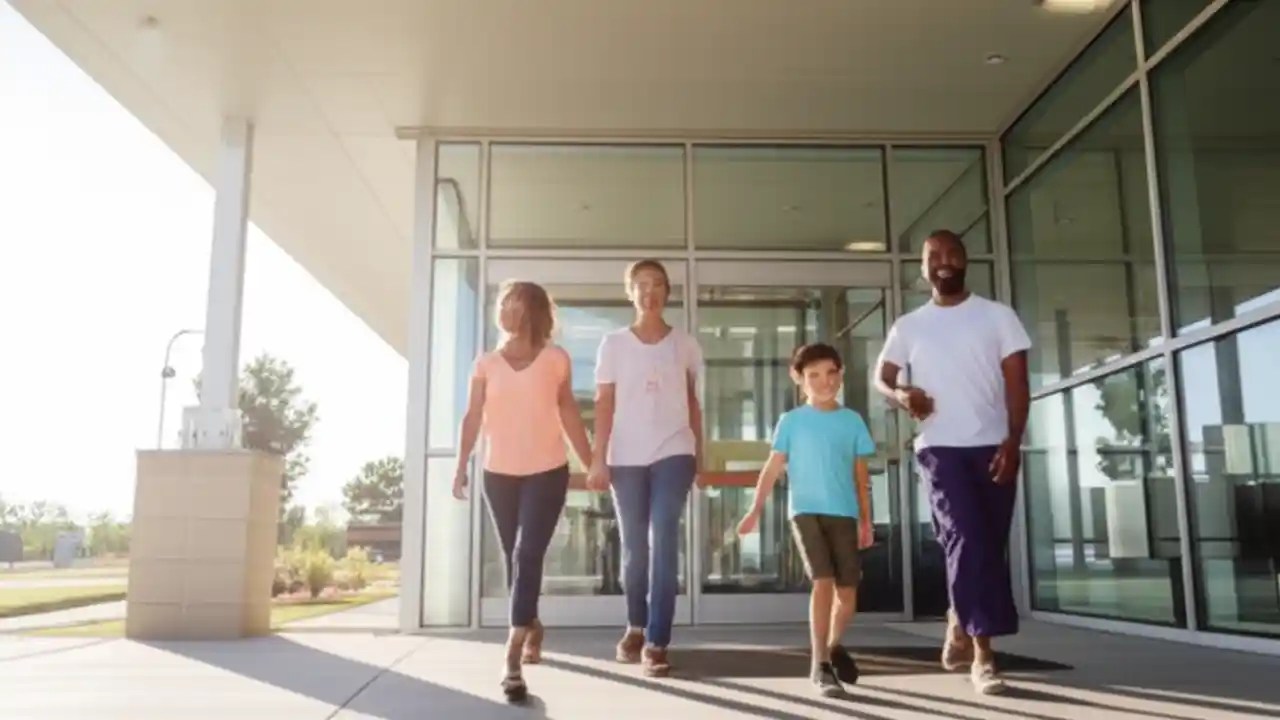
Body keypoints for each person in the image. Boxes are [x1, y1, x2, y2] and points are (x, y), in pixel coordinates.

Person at [874, 229, 1031, 695]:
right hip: (940, 448)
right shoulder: (909, 326)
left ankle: (958, 616)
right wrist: (902, 393)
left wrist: (1014, 441)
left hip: (993, 446)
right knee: (966, 537)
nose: (944, 260)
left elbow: (1018, 384)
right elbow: (883, 376)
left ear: (965, 260)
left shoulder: (998, 316)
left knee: (985, 545)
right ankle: (984, 656)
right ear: (923, 269)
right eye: (934, 256)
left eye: (952, 253)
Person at [453, 280, 593, 702]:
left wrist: (592, 462)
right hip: (498, 474)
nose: (502, 309)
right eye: (500, 303)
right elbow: (472, 416)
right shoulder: (485, 364)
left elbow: (568, 411)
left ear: (530, 310)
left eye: (510, 302)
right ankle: (531, 623)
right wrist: (460, 465)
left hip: (547, 472)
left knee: (526, 553)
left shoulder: (555, 359)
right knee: (513, 558)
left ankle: (512, 654)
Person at [586, 259, 703, 678]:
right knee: (635, 548)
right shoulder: (613, 345)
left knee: (664, 536)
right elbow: (603, 404)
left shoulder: (685, 344)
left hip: (675, 450)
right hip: (625, 456)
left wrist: (701, 455)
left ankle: (657, 640)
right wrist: (597, 458)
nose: (649, 292)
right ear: (630, 293)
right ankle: (635, 625)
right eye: (640, 285)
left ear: (667, 291)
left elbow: (692, 402)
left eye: (656, 284)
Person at [737, 343, 875, 698]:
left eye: (830, 373)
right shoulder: (792, 421)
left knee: (848, 595)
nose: (824, 381)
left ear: (841, 375)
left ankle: (832, 645)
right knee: (823, 582)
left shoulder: (853, 421)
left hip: (844, 512)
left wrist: (866, 520)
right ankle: (820, 665)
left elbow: (861, 475)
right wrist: (755, 509)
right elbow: (772, 468)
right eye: (813, 375)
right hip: (805, 511)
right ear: (798, 379)